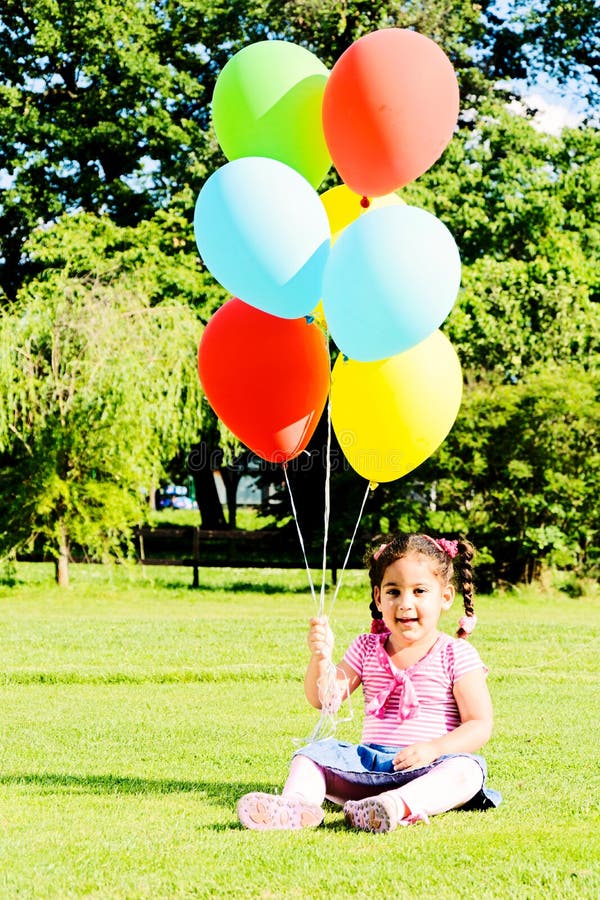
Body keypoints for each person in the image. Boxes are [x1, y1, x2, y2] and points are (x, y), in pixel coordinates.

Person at [237, 533, 501, 832]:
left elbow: (479, 724)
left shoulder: (456, 653)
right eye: (393, 592)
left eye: (419, 591)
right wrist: (320, 657)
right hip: (367, 768)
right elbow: (324, 699)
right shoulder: (366, 648)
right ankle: (296, 806)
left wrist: (434, 748)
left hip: (428, 767)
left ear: (445, 597)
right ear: (378, 597)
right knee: (310, 755)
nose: (405, 604)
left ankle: (393, 806)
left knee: (467, 770)